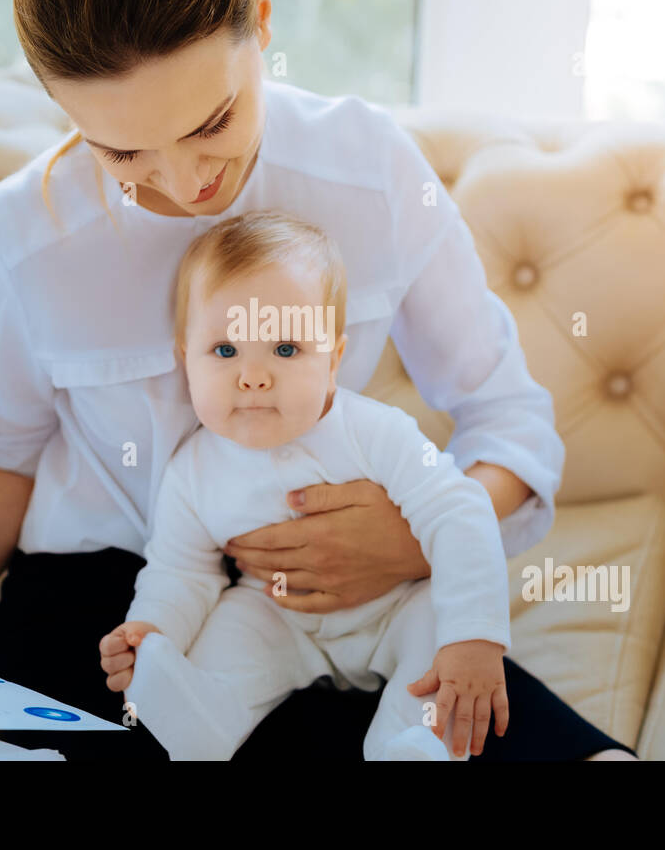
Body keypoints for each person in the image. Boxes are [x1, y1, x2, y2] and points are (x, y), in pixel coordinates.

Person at [0, 0, 637, 762]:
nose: (184, 181)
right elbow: (9, 457)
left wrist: (410, 544)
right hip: (109, 603)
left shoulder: (371, 168)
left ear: (263, 20)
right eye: (123, 152)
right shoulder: (16, 237)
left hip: (353, 581)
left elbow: (506, 419)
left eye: (212, 123)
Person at [109, 211, 511, 760]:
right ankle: (202, 715)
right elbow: (181, 571)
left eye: (285, 349)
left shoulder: (376, 431)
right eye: (225, 351)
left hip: (398, 607)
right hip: (279, 614)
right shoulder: (191, 470)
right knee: (231, 631)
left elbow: (457, 510)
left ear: (333, 360)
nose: (253, 376)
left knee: (436, 648)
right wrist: (150, 630)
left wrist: (474, 636)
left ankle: (410, 743)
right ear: (186, 360)